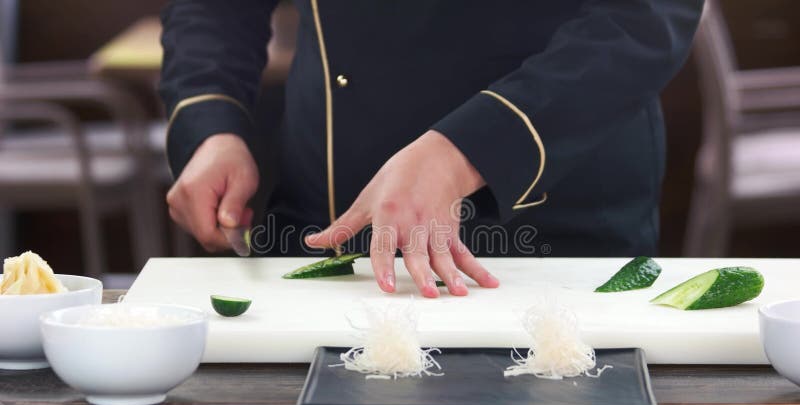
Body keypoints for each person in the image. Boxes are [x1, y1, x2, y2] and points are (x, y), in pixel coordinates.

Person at [160, 0, 703, 298]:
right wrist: (211, 121)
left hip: (555, 225)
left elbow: (645, 17)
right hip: (330, 237)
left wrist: (466, 150)